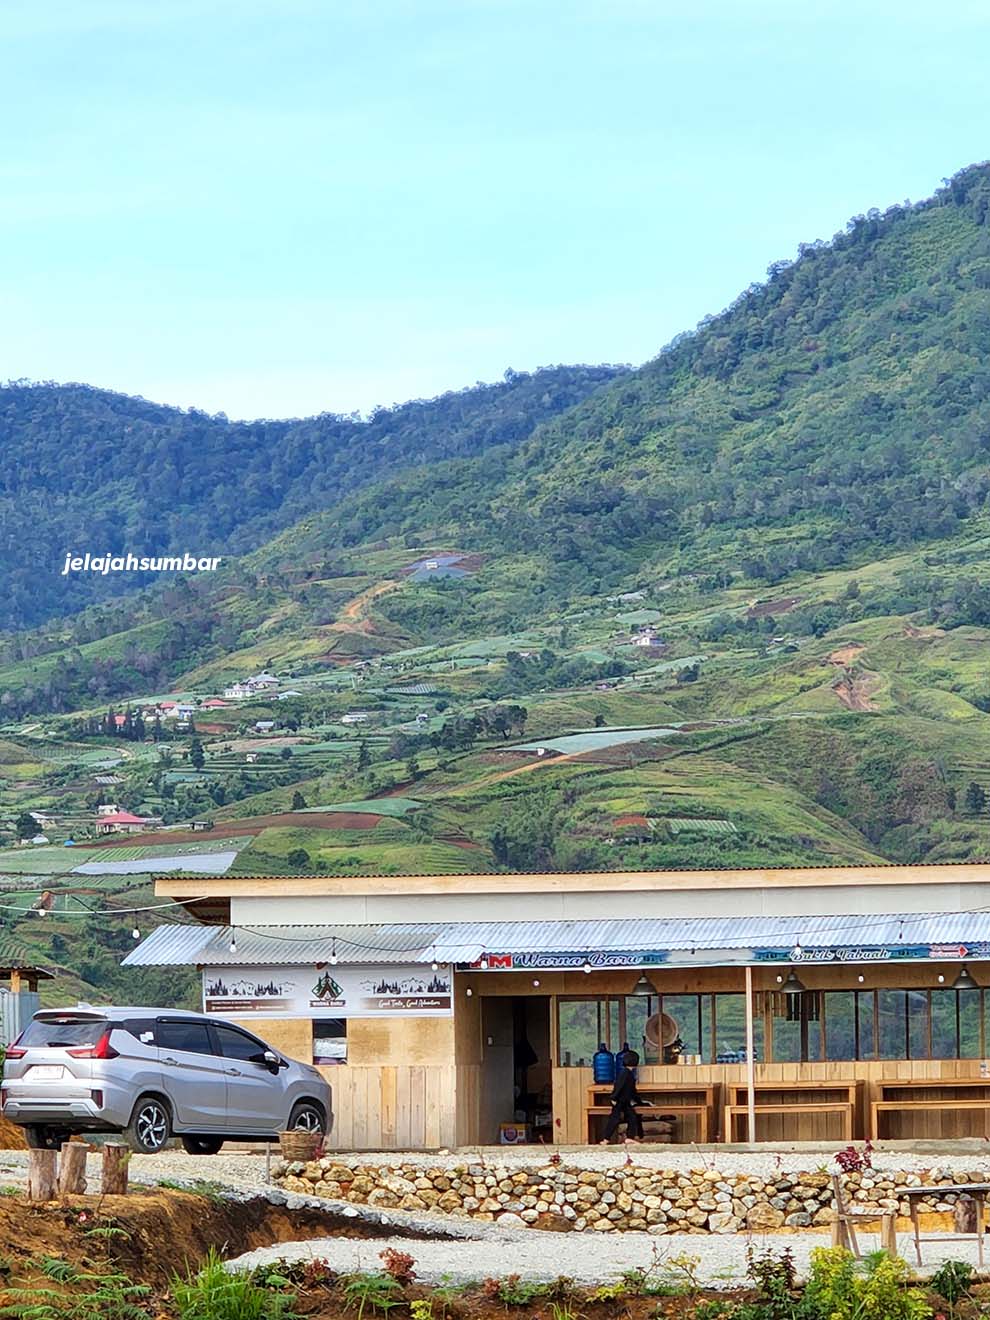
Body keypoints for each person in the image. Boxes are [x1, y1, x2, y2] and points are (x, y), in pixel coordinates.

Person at [599, 1048, 646, 1144]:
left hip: (625, 1101)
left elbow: (633, 1091)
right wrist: (614, 1097)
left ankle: (630, 1137)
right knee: (614, 1119)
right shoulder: (625, 1073)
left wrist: (640, 1102)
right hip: (619, 1100)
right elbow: (619, 1086)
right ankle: (606, 1139)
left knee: (632, 1117)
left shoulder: (629, 1074)